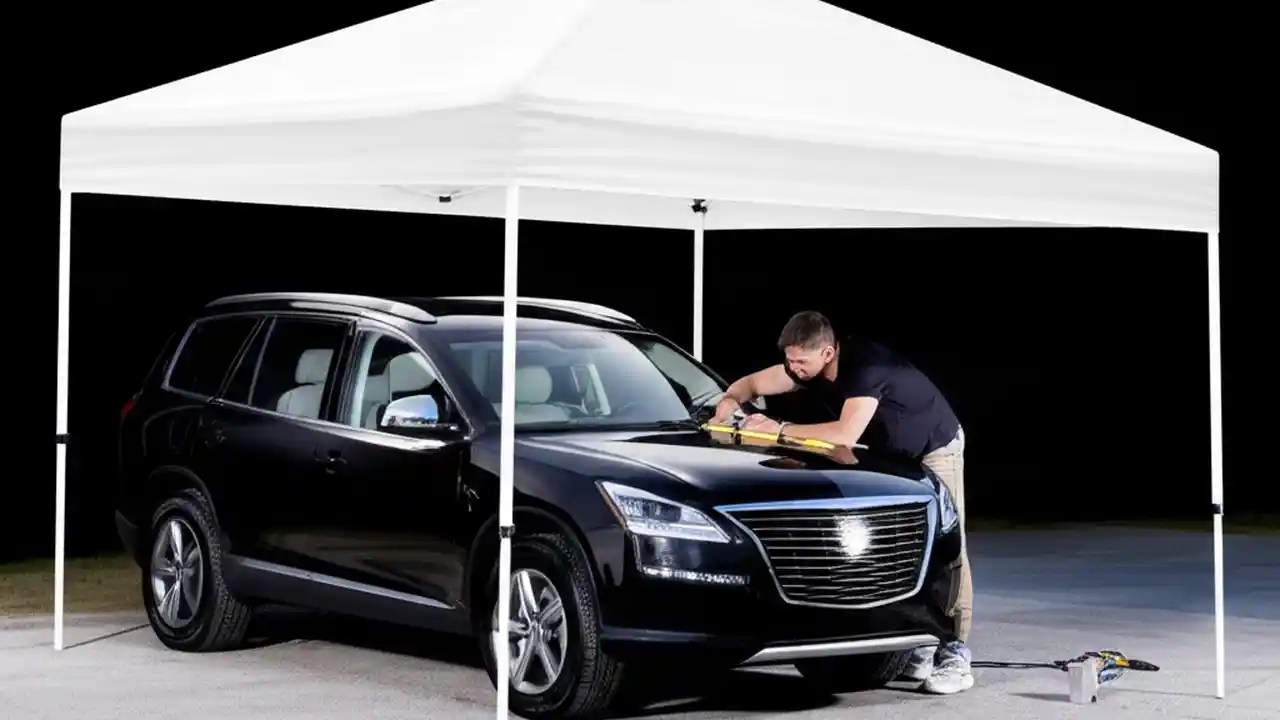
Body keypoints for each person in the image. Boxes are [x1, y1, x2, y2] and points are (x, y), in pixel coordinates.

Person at [709, 310, 973, 694]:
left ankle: (955, 652)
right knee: (893, 547)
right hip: (891, 451)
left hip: (934, 447)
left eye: (802, 362)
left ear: (828, 353)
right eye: (789, 360)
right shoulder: (803, 366)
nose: (794, 369)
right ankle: (919, 644)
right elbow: (750, 384)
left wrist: (777, 429)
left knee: (947, 549)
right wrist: (729, 402)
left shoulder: (866, 367)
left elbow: (845, 435)